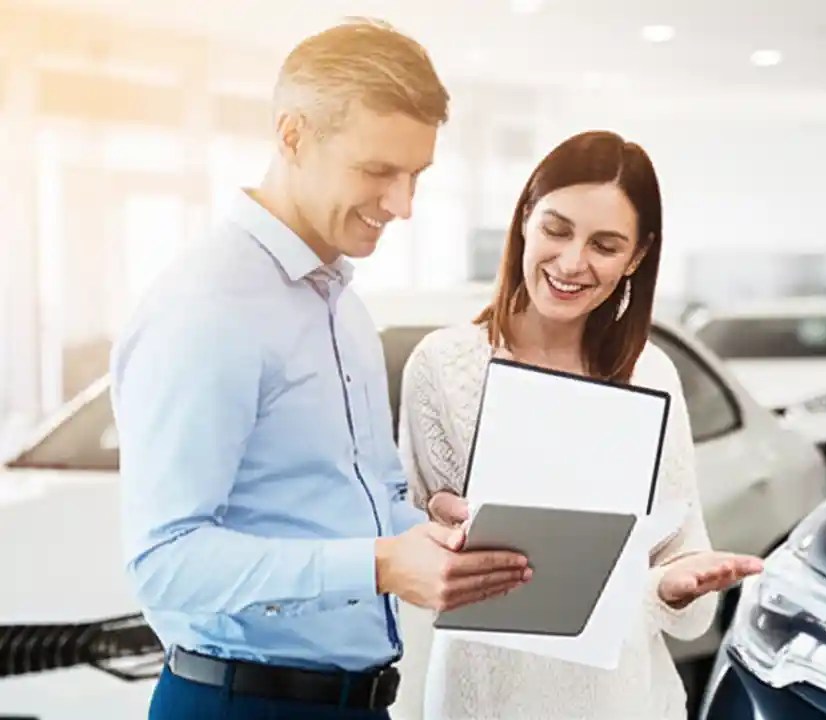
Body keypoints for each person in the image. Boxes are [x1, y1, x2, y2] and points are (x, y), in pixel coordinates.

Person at [110, 19, 531, 720]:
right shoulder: (207, 307)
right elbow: (166, 561)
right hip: (240, 705)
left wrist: (426, 533)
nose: (402, 205)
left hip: (354, 703)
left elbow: (348, 498)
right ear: (293, 136)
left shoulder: (342, 307)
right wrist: (382, 565)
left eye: (417, 176)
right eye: (378, 171)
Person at [396, 130, 764, 720]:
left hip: (618, 699)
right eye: (556, 230)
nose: (572, 263)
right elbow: (414, 584)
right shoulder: (443, 367)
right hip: (478, 698)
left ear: (637, 257)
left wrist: (672, 588)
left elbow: (677, 566)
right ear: (524, 219)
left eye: (605, 245)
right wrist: (444, 537)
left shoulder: (651, 374)